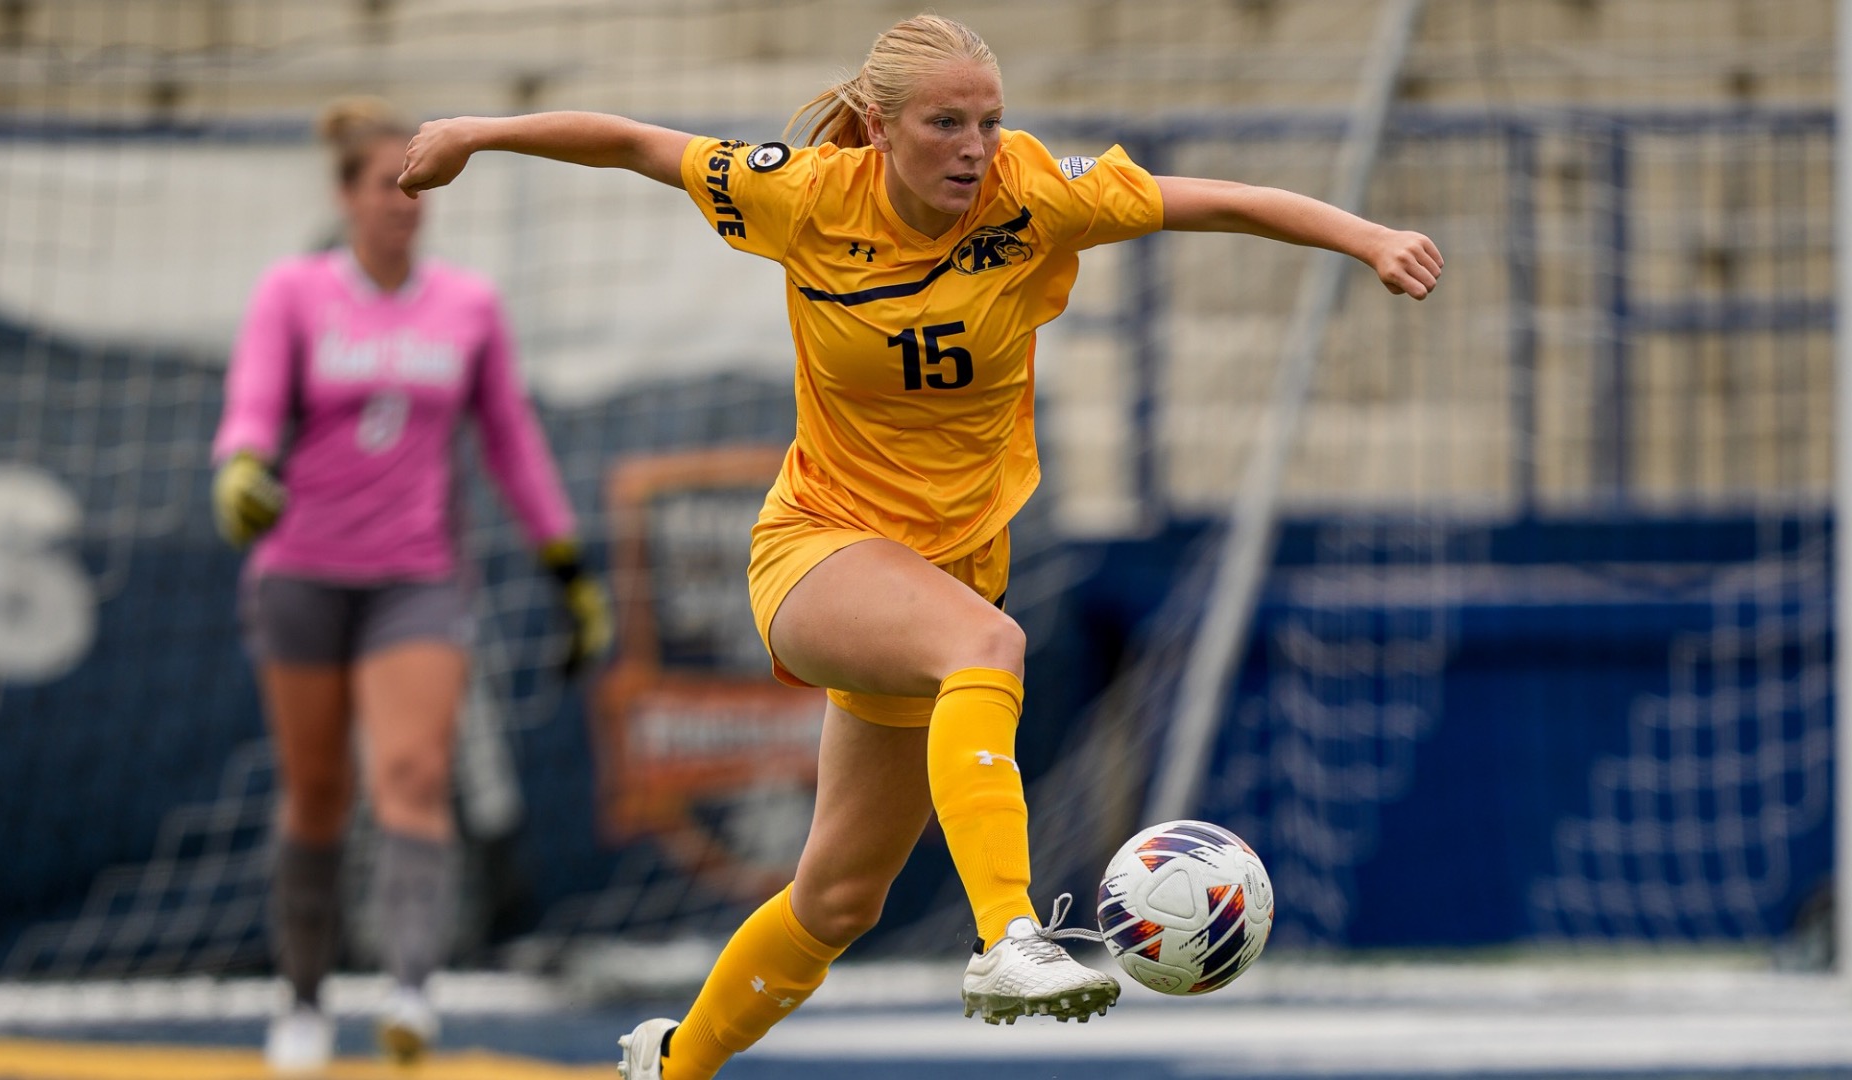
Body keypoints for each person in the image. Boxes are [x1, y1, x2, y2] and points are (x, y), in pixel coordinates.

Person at [399, 14, 1441, 1080]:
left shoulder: (1032, 195)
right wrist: (475, 133)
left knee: (840, 897)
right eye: (946, 122)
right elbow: (632, 143)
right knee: (988, 648)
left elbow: (1213, 200)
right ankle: (1009, 940)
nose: (975, 146)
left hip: (939, 579)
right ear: (879, 128)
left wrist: (1363, 236)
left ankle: (669, 1066)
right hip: (818, 551)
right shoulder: (803, 195)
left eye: (989, 121)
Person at [211, 96, 613, 1073]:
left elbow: (511, 443)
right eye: (387, 185)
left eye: (419, 185)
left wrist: (565, 564)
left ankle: (409, 992)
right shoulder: (294, 294)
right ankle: (303, 1002)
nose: (407, 202)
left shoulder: (468, 307)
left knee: (415, 777)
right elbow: (253, 408)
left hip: (417, 582)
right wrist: (240, 470)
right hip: (303, 575)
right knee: (316, 796)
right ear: (345, 195)